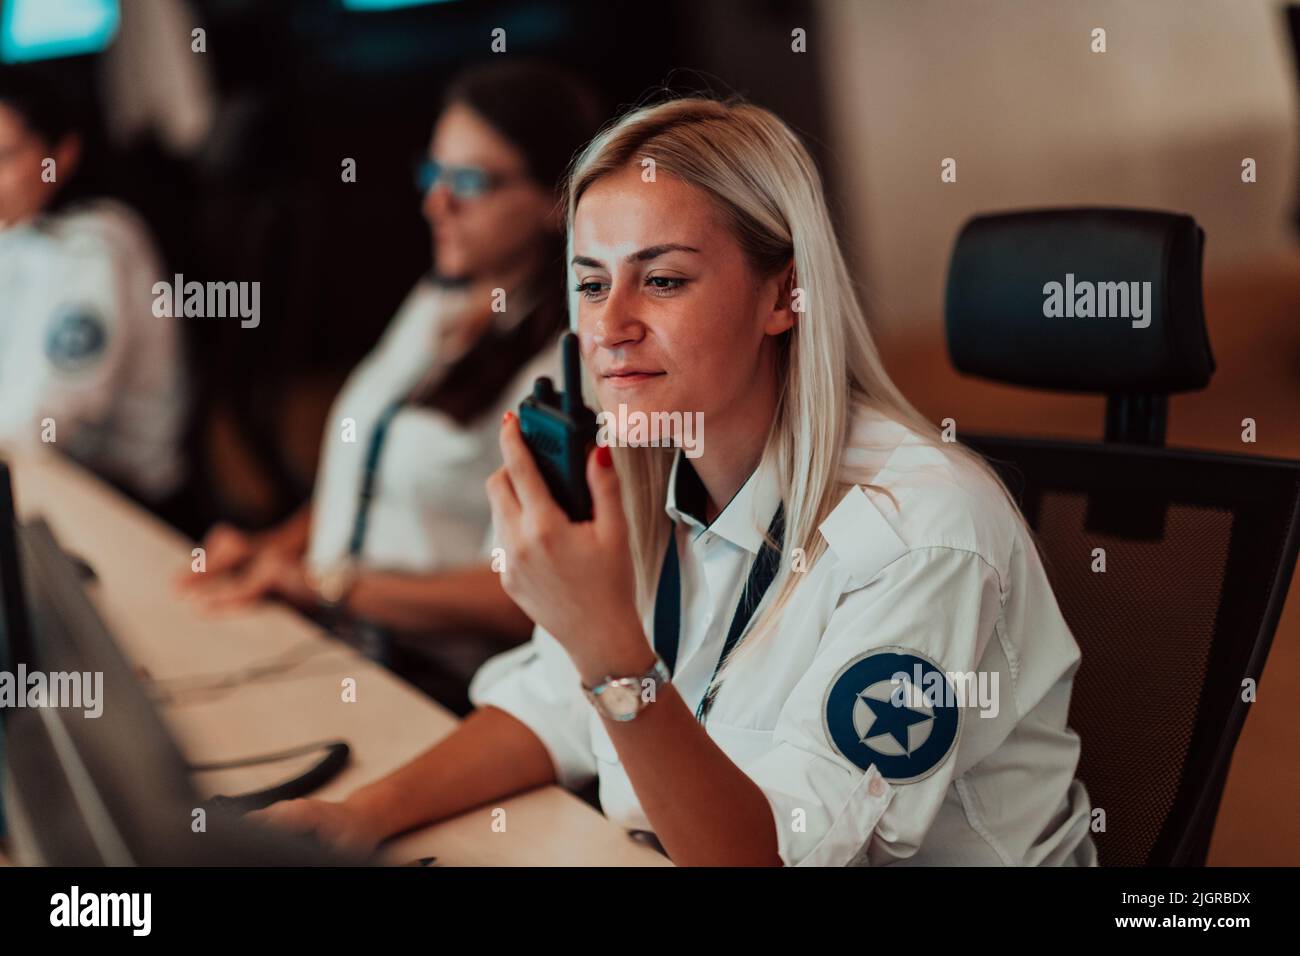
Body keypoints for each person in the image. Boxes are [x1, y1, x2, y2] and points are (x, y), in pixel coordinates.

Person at [256, 96, 1096, 867]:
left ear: (785, 293)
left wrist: (609, 650)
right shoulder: (647, 476)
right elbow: (553, 709)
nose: (611, 326)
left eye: (662, 280)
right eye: (591, 283)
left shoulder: (923, 535)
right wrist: (357, 820)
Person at [180, 63, 606, 659]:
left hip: (430, 680)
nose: (436, 202)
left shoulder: (573, 366)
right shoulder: (438, 299)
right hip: (338, 639)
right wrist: (273, 551)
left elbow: (521, 601)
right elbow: (369, 473)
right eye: (433, 172)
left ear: (554, 203)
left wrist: (329, 587)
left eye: (471, 181)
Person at [0, 68, 186, 504]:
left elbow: (41, 421)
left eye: (5, 156)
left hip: (122, 496)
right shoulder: (18, 232)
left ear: (62, 155)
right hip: (43, 475)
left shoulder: (99, 250)